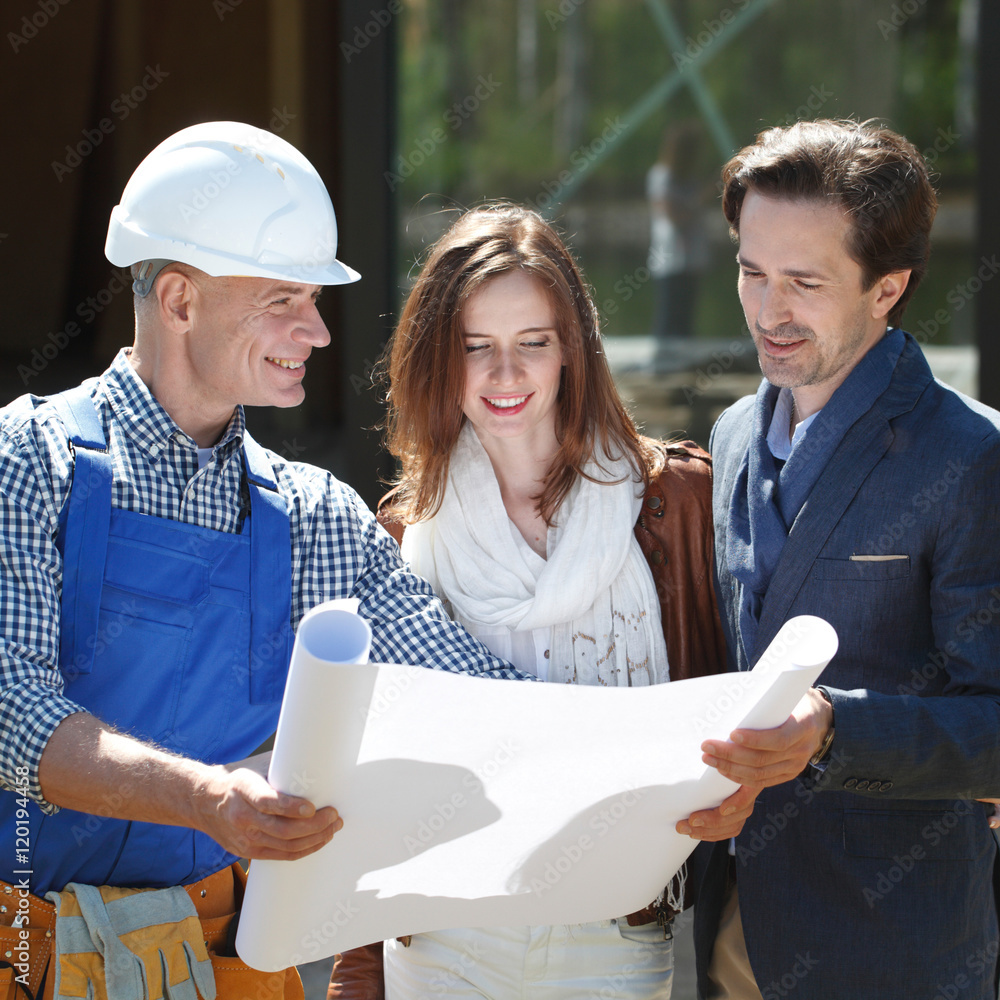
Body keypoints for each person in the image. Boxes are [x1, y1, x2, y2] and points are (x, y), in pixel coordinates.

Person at [0, 122, 529, 1000]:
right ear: (178, 299)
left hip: (223, 964)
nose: (316, 332)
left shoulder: (316, 518)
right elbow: (7, 707)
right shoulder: (28, 460)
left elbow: (469, 698)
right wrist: (207, 799)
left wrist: (684, 756)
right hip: (30, 956)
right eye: (285, 298)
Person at [329, 203, 755, 1000]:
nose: (506, 375)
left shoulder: (675, 503)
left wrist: (739, 789)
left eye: (533, 343)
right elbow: (367, 782)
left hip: (616, 936)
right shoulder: (399, 536)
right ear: (437, 361)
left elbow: (745, 704)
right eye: (475, 348)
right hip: (442, 933)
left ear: (572, 353)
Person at [691, 118, 1000, 1000]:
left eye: (804, 282)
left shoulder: (972, 455)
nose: (767, 310)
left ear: (887, 288)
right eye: (752, 272)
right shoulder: (734, 434)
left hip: (893, 948)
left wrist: (832, 731)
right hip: (733, 929)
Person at [647, 120, 712, 372]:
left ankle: (684, 369)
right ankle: (662, 369)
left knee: (685, 317)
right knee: (668, 317)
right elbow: (673, 214)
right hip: (669, 257)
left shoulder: (690, 179)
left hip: (692, 257)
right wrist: (701, 199)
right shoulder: (661, 176)